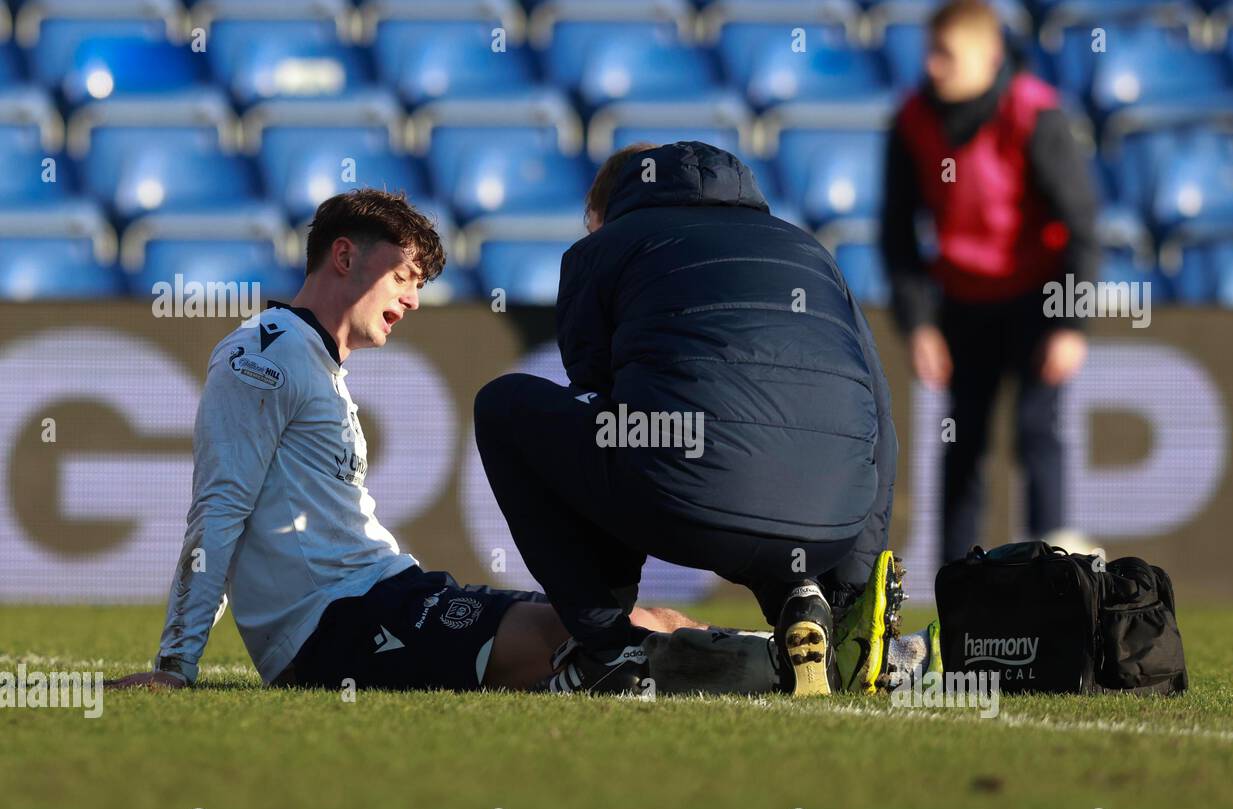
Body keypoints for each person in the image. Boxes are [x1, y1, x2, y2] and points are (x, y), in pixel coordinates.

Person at [108, 189, 701, 696]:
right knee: (592, 641)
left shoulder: (315, 361)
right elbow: (220, 506)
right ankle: (769, 664)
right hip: (338, 626)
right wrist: (175, 666)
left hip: (384, 598)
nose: (414, 300)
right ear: (344, 256)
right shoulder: (265, 353)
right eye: (403, 277)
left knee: (619, 624)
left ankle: (780, 653)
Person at [473, 141, 904, 698]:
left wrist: (605, 607)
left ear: (603, 212)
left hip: (684, 497)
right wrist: (852, 587)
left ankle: (609, 650)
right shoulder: (811, 252)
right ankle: (804, 598)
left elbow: (599, 399)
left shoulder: (606, 248)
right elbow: (881, 419)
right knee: (764, 453)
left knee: (505, 405)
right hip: (831, 524)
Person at [882, 0, 1099, 563]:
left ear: (989, 56)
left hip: (1036, 298)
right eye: (930, 52)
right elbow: (896, 232)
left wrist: (1071, 324)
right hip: (962, 304)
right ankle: (957, 584)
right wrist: (919, 324)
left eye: (946, 55)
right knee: (961, 446)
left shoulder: (1035, 115)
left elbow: (1081, 224)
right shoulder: (911, 120)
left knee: (1037, 434)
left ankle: (1053, 576)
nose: (933, 66)